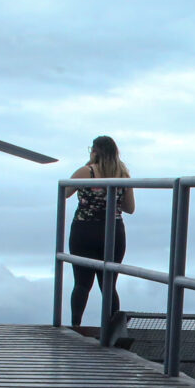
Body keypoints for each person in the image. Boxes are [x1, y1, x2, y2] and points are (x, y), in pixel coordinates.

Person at [67, 135, 133, 330]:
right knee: (108, 284)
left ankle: (76, 326)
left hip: (84, 230)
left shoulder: (86, 172)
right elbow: (130, 208)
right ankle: (113, 331)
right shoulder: (122, 175)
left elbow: (64, 192)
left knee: (81, 283)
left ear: (94, 151)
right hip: (113, 232)